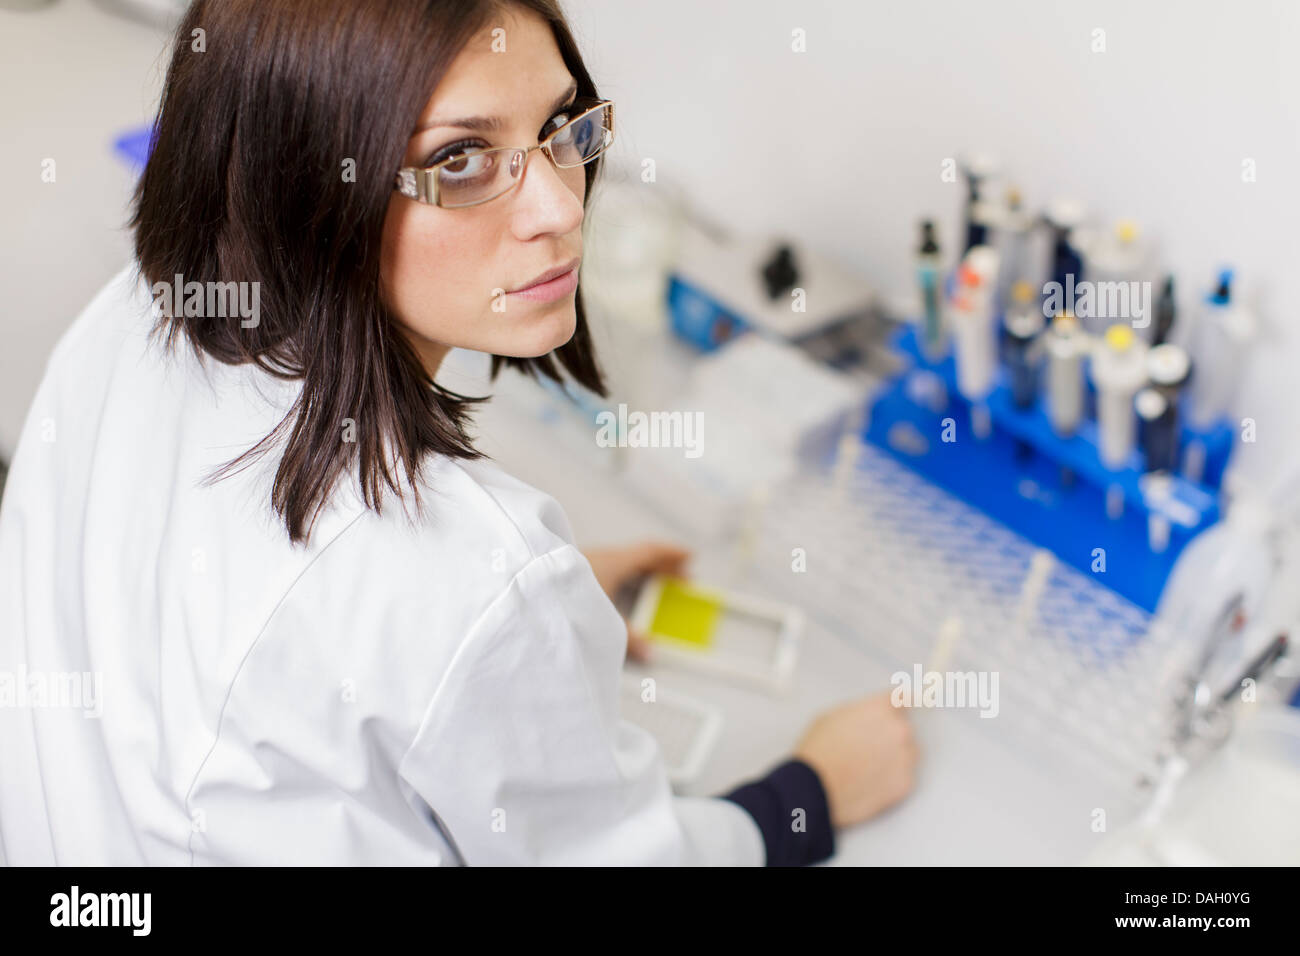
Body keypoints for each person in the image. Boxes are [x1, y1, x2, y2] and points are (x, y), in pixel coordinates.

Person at [0, 0, 916, 866]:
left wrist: (506, 638)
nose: (561, 206)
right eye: (463, 161)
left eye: (563, 128)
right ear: (304, 181)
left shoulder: (133, 313)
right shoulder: (458, 576)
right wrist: (811, 796)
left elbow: (257, 602)